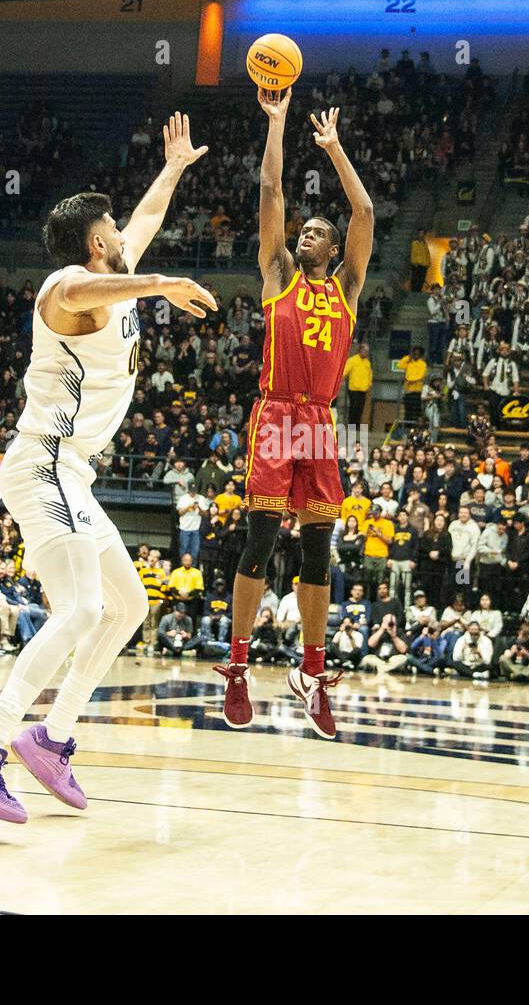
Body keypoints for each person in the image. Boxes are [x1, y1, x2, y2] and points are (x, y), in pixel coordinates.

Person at [0, 113, 218, 824]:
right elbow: (79, 293)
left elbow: (148, 216)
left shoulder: (116, 277)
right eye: (116, 232)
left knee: (128, 606)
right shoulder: (67, 286)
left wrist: (175, 167)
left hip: (75, 476)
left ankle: (52, 736)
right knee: (81, 609)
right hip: (43, 466)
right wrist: (161, 282)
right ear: (99, 245)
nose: (128, 234)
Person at [218, 89, 375, 740]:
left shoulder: (346, 285)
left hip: (319, 422)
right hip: (276, 416)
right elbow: (270, 189)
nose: (304, 232)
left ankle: (311, 673)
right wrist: (277, 123)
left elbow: (364, 208)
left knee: (319, 550)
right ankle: (237, 665)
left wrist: (335, 147)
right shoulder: (278, 271)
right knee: (260, 539)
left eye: (317, 231)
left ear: (333, 248)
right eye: (301, 229)